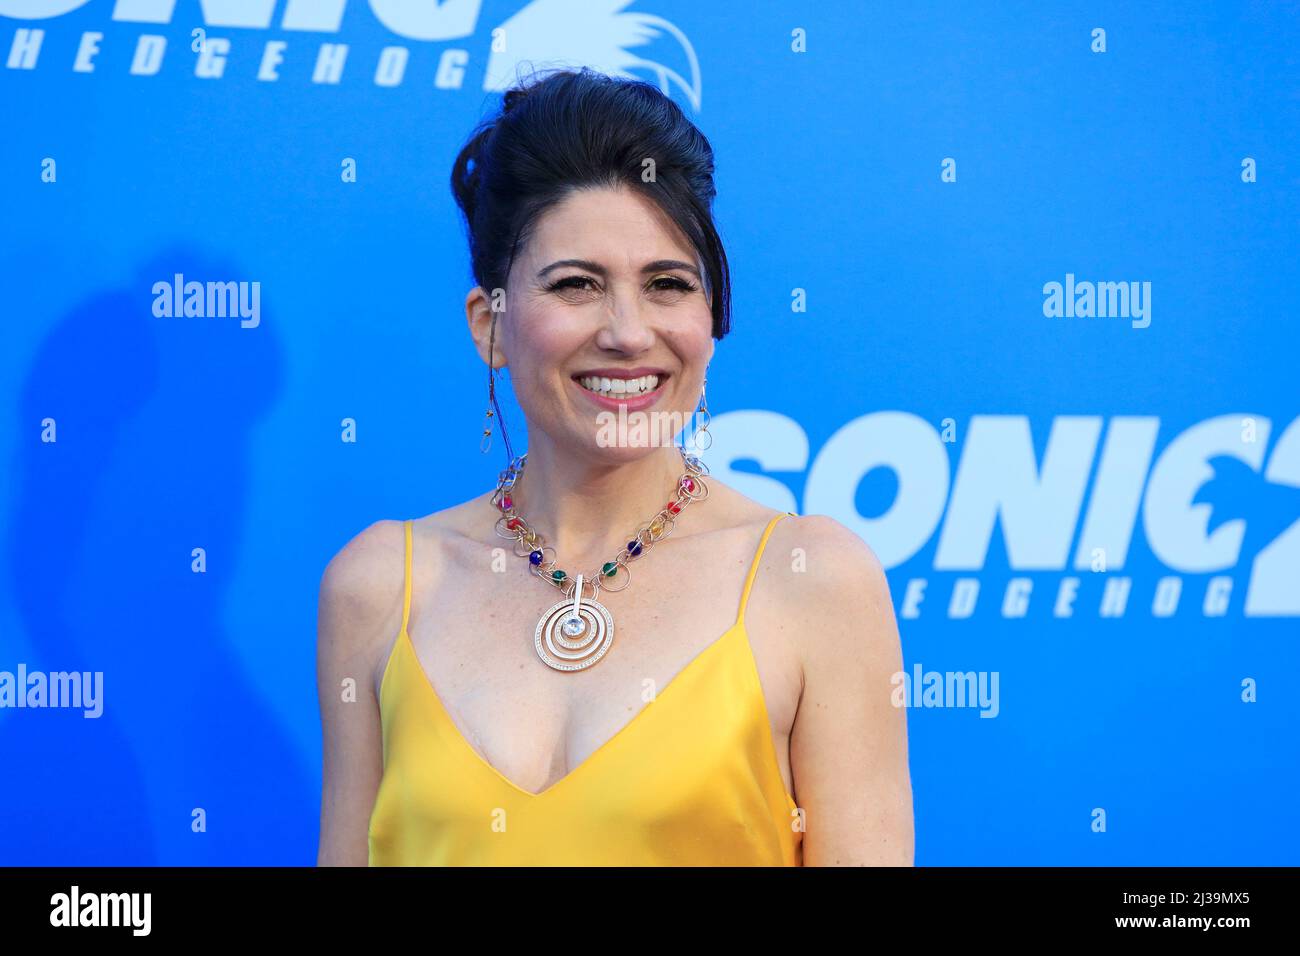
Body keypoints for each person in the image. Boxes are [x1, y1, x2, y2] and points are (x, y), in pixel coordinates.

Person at [317, 67, 913, 866]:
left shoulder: (812, 580)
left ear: (709, 320)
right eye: (576, 285)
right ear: (489, 325)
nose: (629, 333)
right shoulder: (379, 585)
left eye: (668, 284)